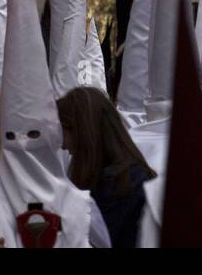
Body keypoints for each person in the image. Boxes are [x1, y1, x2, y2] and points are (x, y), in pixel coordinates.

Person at [56, 86, 155, 248]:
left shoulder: (116, 185)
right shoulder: (126, 174)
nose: (63, 145)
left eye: (64, 132)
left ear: (81, 131)